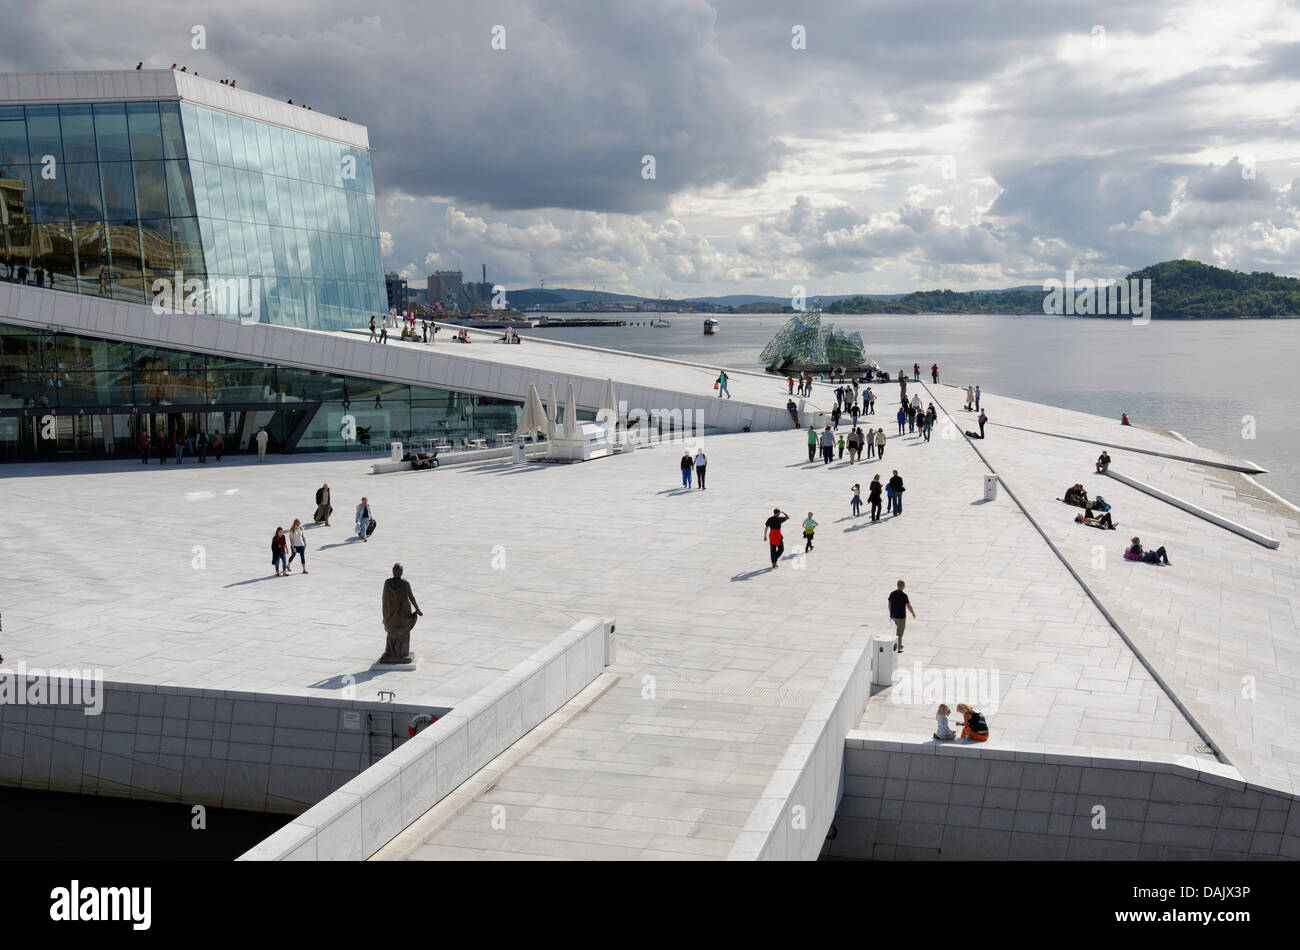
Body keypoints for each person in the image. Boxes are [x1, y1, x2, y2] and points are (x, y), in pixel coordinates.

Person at [379, 563, 423, 664]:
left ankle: (395, 653)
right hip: (399, 614)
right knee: (399, 632)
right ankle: (397, 653)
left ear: (401, 572)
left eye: (397, 571)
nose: (396, 573)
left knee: (395, 632)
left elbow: (385, 600)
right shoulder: (402, 583)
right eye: (395, 571)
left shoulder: (390, 583)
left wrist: (418, 609)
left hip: (396, 614)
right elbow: (411, 597)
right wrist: (417, 609)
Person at [888, 580, 915, 653]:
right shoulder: (904, 595)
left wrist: (890, 613)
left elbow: (889, 603)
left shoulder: (892, 593)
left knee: (899, 629)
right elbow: (908, 606)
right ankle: (898, 647)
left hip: (894, 616)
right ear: (903, 586)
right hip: (901, 617)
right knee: (900, 632)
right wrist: (913, 613)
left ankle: (899, 644)